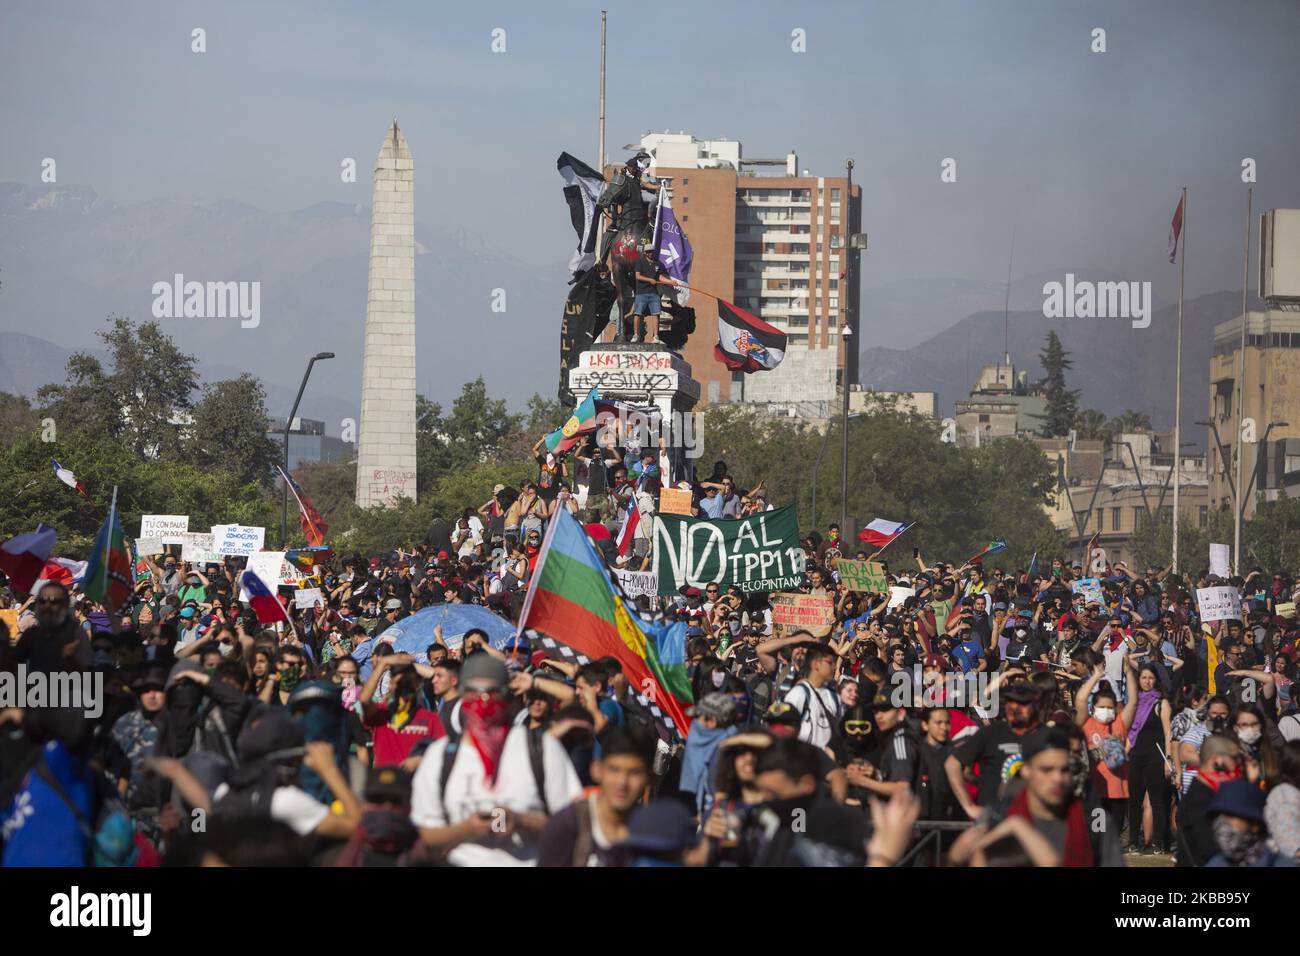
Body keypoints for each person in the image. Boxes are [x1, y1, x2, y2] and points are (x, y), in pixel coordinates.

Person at [409, 654, 582, 866]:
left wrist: (521, 820)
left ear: (507, 697)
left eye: (492, 693)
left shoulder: (542, 749)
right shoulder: (440, 756)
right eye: (473, 693)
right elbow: (425, 833)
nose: (483, 701)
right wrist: (467, 828)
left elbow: (570, 824)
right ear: (461, 696)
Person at [538, 727, 655, 866]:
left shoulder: (656, 835)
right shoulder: (567, 826)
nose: (622, 782)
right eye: (614, 769)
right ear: (597, 770)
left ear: (650, 778)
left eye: (634, 772)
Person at [1206, 779, 1295, 867]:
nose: (1221, 824)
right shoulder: (1215, 863)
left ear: (1255, 825)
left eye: (1230, 817)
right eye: (1217, 817)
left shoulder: (1279, 863)